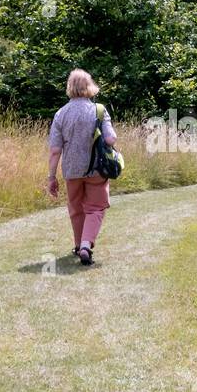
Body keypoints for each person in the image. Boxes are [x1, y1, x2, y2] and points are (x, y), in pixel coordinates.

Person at [47, 68, 117, 266]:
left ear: (70, 88)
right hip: (96, 168)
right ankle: (86, 245)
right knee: (96, 208)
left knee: (76, 208)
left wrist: (51, 177)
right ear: (90, 87)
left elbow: (54, 150)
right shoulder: (99, 110)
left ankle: (78, 245)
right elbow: (111, 138)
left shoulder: (60, 114)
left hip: (71, 170)